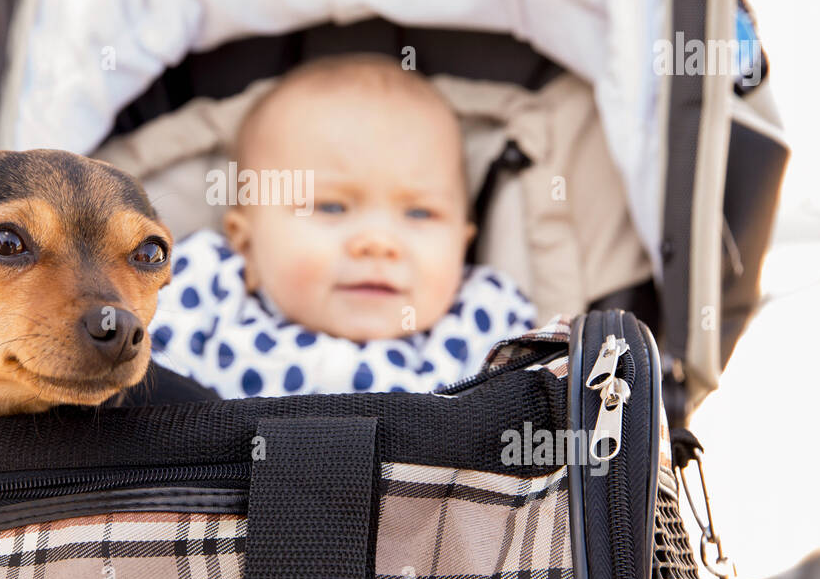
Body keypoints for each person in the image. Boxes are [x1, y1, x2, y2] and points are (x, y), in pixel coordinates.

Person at [148, 54, 537, 398]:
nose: (378, 243)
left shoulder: (481, 320)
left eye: (420, 213)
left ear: (462, 244)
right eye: (331, 207)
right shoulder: (206, 289)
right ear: (246, 245)